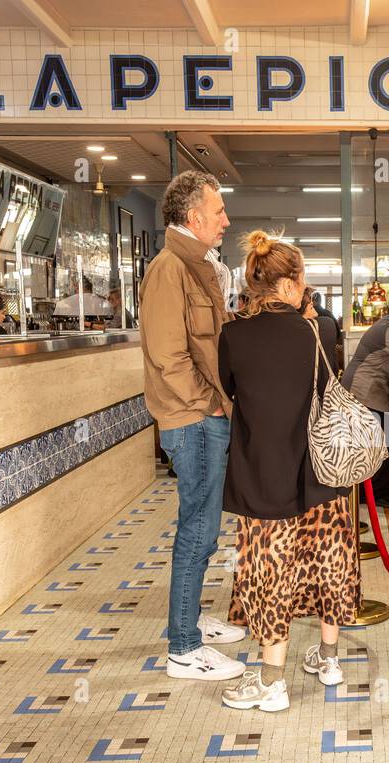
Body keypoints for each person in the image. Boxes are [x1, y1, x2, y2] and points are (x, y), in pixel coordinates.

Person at [217, 231, 358, 713]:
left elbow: (231, 391)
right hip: (324, 471)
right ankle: (330, 659)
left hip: (263, 474)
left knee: (270, 570)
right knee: (327, 562)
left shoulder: (232, 335)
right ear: (294, 283)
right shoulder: (320, 330)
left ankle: (271, 681)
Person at [139, 170, 246, 681]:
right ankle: (183, 647)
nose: (226, 220)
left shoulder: (196, 267)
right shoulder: (168, 269)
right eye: (218, 210)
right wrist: (210, 405)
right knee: (198, 530)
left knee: (204, 530)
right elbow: (168, 355)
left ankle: (192, 619)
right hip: (193, 419)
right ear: (192, 216)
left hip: (204, 415)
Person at [344, 310, 389, 509]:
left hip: (374, 390)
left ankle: (371, 491)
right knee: (380, 441)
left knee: (380, 441)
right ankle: (373, 493)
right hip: (364, 389)